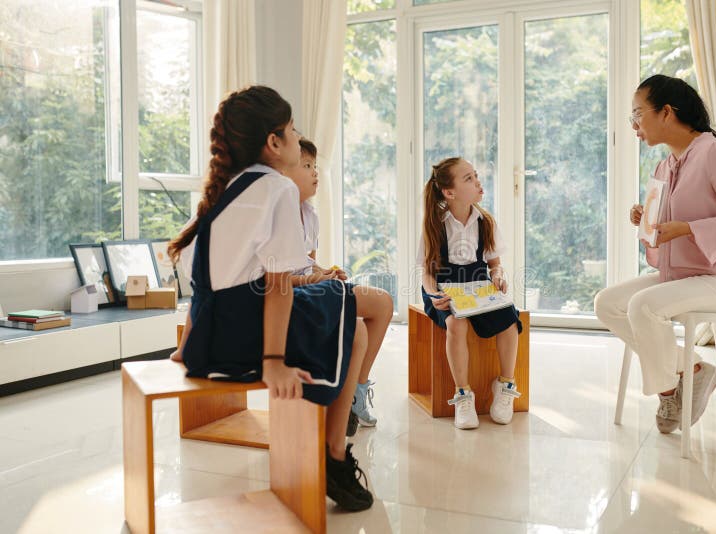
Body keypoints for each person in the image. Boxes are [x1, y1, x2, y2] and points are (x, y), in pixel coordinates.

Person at [167, 86, 372, 511]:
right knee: (345, 307)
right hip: (244, 339)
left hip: (209, 340)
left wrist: (186, 345)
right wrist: (274, 364)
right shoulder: (277, 188)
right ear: (274, 143)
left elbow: (201, 280)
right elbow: (278, 287)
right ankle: (334, 453)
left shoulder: (224, 188)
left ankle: (333, 443)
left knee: (342, 311)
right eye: (294, 131)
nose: (300, 140)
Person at [594, 74, 716, 434]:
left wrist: (687, 228)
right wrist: (646, 219)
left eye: (638, 114)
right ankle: (693, 368)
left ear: (667, 112)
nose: (634, 125)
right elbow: (664, 230)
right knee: (606, 302)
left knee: (643, 305)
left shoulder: (714, 153)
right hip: (684, 275)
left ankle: (670, 393)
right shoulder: (664, 165)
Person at [285, 137, 393, 434]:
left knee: (382, 304)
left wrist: (327, 271)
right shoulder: (276, 215)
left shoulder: (310, 214)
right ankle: (350, 394)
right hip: (292, 292)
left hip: (311, 286)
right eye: (306, 166)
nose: (315, 172)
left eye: (315, 166)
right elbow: (272, 279)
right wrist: (312, 278)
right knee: (379, 305)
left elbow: (308, 262)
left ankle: (357, 388)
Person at [418, 157, 522, 429]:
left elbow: (494, 265)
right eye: (468, 178)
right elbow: (427, 272)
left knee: (510, 320)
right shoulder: (434, 224)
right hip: (444, 285)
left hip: (478, 283)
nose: (478, 181)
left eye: (475, 175)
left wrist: (498, 278)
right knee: (456, 323)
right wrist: (432, 296)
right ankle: (463, 394)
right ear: (449, 193)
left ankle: (505, 385)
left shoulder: (485, 222)